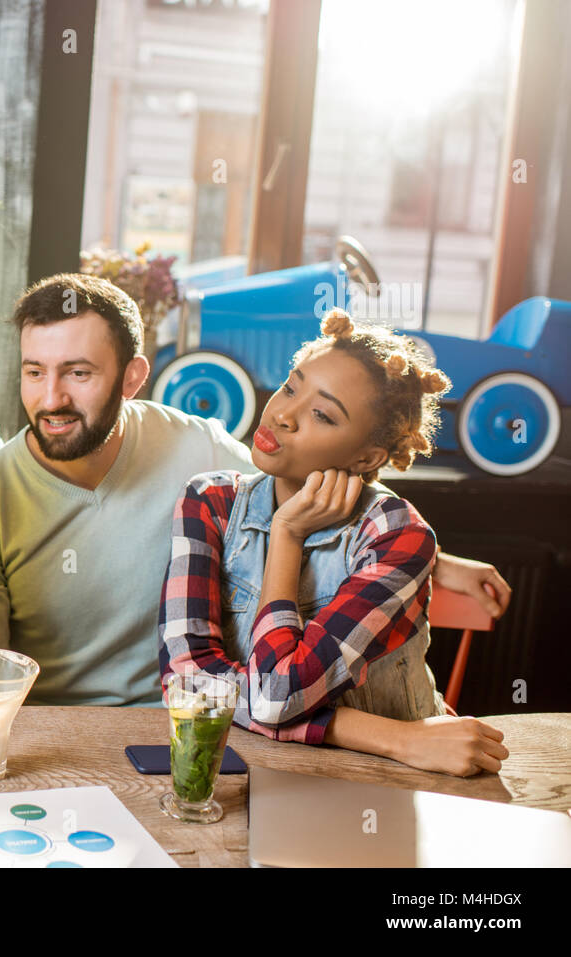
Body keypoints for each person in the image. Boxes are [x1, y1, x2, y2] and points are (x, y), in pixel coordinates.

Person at [0, 273, 512, 707]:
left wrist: (436, 562)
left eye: (78, 374)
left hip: (206, 718)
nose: (50, 398)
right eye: (34, 372)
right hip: (67, 734)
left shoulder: (196, 447)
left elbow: (289, 501)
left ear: (132, 377)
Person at [160, 310, 509, 776]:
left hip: (395, 779)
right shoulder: (210, 500)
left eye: (321, 414)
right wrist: (391, 737)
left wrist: (286, 534)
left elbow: (273, 699)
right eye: (289, 387)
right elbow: (188, 681)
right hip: (262, 765)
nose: (282, 415)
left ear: (366, 456)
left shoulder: (397, 534)